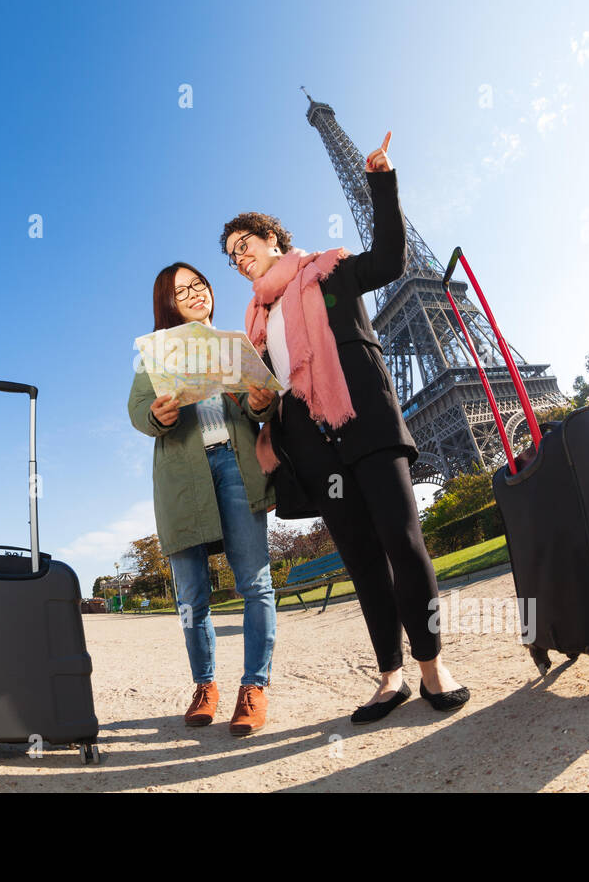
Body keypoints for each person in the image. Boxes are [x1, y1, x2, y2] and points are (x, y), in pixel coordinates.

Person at [220, 130, 470, 723]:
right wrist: (256, 399)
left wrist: (381, 184)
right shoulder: (254, 321)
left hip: (364, 420)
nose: (238, 257)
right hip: (311, 444)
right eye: (231, 255)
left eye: (244, 243)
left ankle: (432, 665)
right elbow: (272, 390)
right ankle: (390, 677)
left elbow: (390, 258)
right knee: (362, 559)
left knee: (404, 544)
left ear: (272, 238)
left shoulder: (328, 272)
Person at [127, 262, 280, 735]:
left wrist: (259, 403)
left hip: (237, 466)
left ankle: (254, 688)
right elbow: (137, 411)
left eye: (198, 285)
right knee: (191, 594)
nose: (193, 293)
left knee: (254, 583)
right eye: (180, 291)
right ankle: (205, 686)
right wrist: (158, 413)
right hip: (182, 477)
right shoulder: (154, 354)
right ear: (166, 303)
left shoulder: (237, 345)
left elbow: (263, 400)